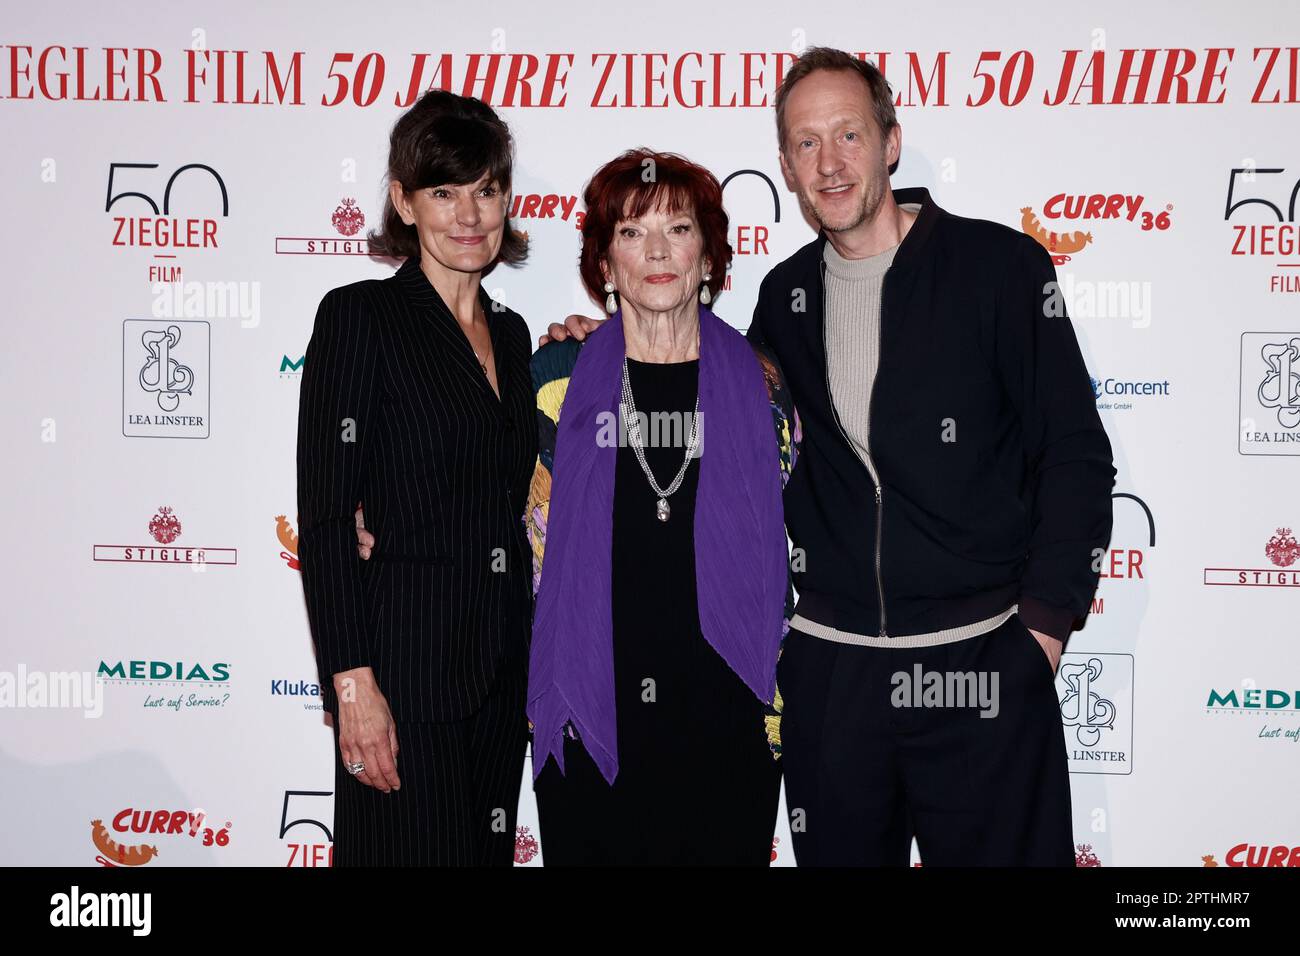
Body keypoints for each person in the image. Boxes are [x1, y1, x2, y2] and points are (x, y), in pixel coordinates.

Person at [542, 48, 1116, 866]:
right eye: (806, 144)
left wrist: (1043, 633)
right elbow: (685, 374)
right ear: (784, 166)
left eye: (848, 134)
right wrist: (594, 341)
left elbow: (1074, 456)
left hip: (984, 665)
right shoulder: (784, 298)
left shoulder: (999, 269)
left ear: (890, 141)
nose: (830, 162)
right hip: (834, 682)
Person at [526, 148, 800, 865]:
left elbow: (808, 529)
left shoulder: (764, 383)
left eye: (678, 229)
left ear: (709, 258)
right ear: (604, 264)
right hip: (591, 702)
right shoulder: (554, 379)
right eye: (630, 232)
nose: (656, 251)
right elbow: (485, 511)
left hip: (729, 709)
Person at [297, 90, 536, 866]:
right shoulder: (359, 318)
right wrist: (353, 685)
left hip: (503, 672)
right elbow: (329, 516)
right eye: (443, 191)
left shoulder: (513, 332)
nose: (469, 216)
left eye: (486, 190)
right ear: (403, 200)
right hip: (403, 673)